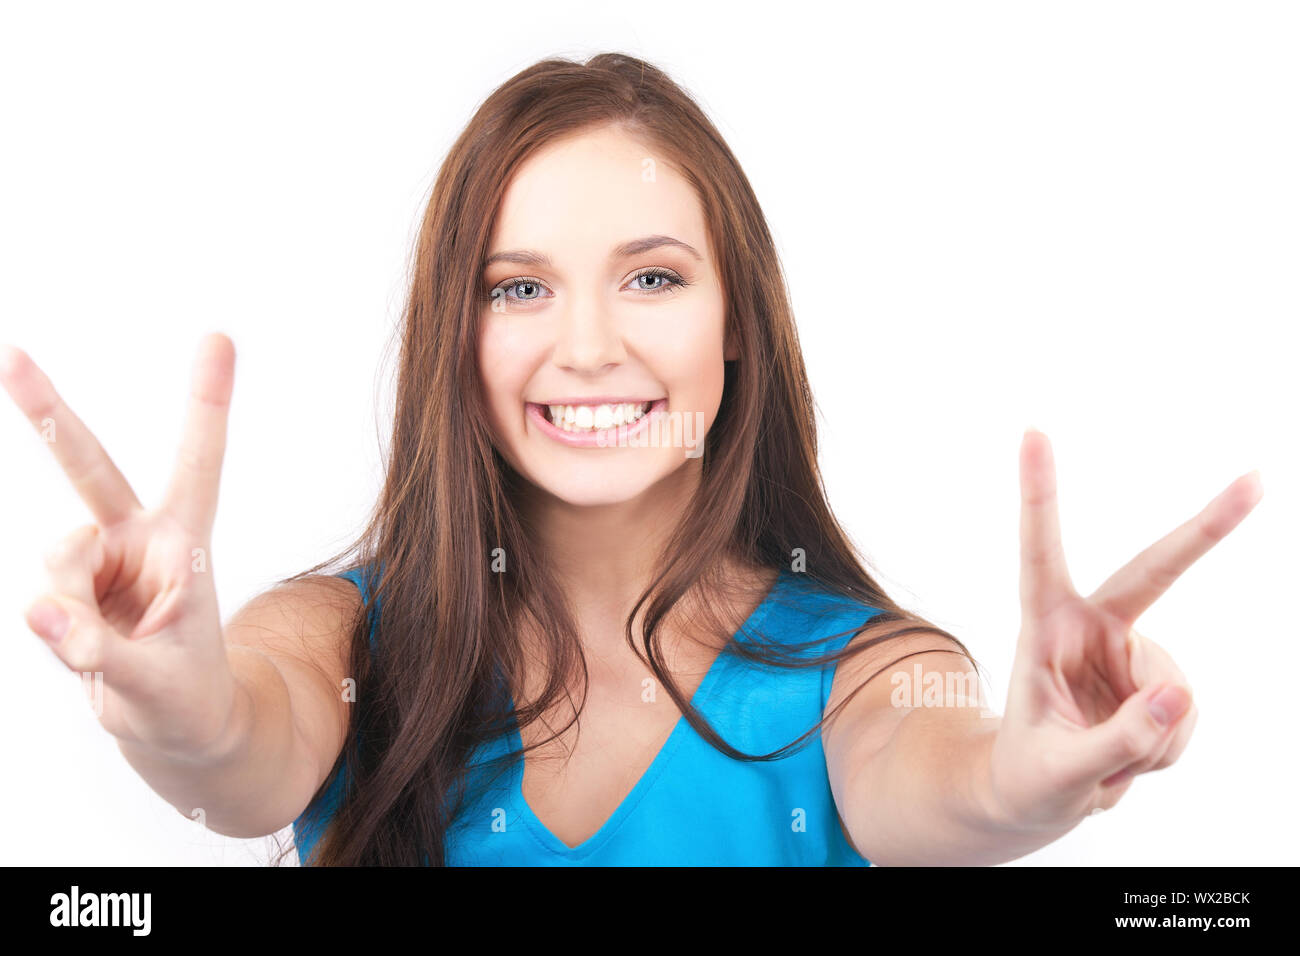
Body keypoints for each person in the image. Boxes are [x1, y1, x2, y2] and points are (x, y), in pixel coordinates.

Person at [1, 52, 1262, 867]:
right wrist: (176, 704)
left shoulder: (867, 673)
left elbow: (954, 778)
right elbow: (237, 751)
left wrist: (1030, 775)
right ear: (459, 336)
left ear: (735, 329)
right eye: (520, 287)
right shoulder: (337, 642)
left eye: (652, 277)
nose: (589, 345)